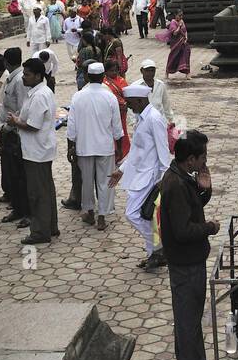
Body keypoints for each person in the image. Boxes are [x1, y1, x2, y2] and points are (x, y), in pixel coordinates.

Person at [158, 130, 226, 360]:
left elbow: (193, 206)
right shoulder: (174, 184)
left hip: (191, 260)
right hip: (185, 263)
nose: (205, 161)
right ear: (190, 160)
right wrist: (210, 227)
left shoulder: (183, 178)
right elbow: (183, 230)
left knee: (191, 318)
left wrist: (204, 189)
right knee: (187, 320)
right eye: (203, 157)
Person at [111, 82, 171, 266]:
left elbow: (164, 152)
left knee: (133, 214)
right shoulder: (142, 118)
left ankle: (158, 248)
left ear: (138, 100)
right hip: (138, 175)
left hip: (150, 177)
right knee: (144, 216)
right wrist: (120, 171)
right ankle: (155, 252)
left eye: (130, 103)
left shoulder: (154, 118)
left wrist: (163, 180)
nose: (128, 106)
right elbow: (137, 150)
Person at [66, 61, 123, 232]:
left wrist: (71, 146)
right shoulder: (109, 96)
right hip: (105, 147)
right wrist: (119, 146)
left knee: (87, 182)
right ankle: (102, 217)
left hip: (84, 147)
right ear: (103, 76)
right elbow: (117, 126)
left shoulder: (78, 96)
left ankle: (90, 212)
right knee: (105, 182)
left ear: (88, 77)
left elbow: (72, 125)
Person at [7, 56, 58, 246]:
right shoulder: (39, 92)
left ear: (38, 76)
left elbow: (33, 125)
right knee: (46, 190)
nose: (23, 78)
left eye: (27, 75)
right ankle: (50, 226)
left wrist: (15, 122)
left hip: (36, 151)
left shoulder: (39, 95)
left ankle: (40, 231)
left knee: (37, 193)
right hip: (40, 149)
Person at [0, 46, 29, 224]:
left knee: (18, 175)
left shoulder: (20, 80)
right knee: (11, 174)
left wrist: (11, 126)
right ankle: (17, 208)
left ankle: (25, 211)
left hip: (15, 133)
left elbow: (22, 108)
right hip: (7, 132)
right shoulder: (12, 78)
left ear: (6, 62)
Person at [103, 56, 130, 163]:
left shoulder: (122, 81)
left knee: (122, 130)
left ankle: (124, 152)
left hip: (122, 112)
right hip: (110, 112)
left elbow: (127, 95)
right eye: (111, 71)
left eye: (116, 70)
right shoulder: (104, 83)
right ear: (106, 71)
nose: (114, 72)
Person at [139, 59, 174, 124]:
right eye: (147, 70)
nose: (150, 73)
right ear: (141, 71)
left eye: (152, 70)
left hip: (159, 121)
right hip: (142, 122)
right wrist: (134, 123)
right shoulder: (136, 86)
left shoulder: (161, 85)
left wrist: (170, 119)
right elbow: (131, 109)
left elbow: (166, 104)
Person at [161, 9, 191, 79]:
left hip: (183, 42)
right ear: (175, 15)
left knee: (186, 56)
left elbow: (185, 30)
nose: (181, 17)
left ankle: (187, 74)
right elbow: (175, 33)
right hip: (176, 44)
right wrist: (179, 26)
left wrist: (186, 37)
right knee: (173, 57)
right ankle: (167, 72)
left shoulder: (182, 21)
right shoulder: (173, 22)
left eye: (182, 15)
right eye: (179, 15)